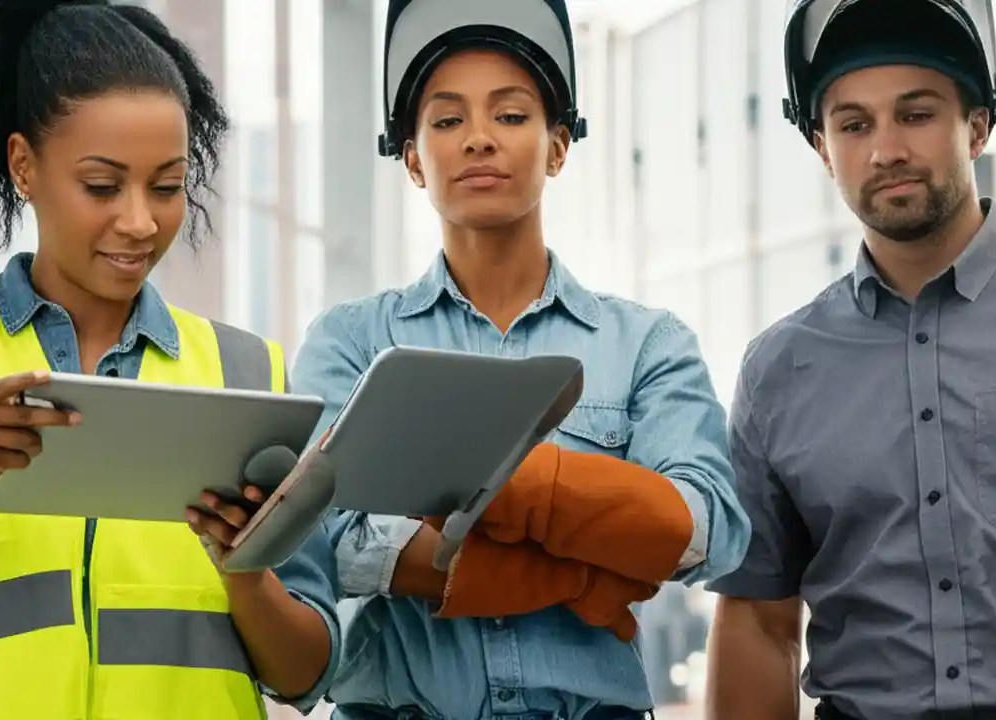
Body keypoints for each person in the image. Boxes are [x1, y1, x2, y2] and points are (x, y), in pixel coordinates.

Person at [705, 1, 996, 719]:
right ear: (823, 150)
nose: (885, 149)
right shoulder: (778, 367)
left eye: (916, 115)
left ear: (977, 126)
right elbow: (760, 623)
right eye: (853, 125)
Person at [290, 1, 751, 718]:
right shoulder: (351, 343)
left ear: (558, 146)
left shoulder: (649, 344)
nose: (478, 139)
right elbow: (327, 541)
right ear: (412, 159)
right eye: (447, 121)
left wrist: (512, 489)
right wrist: (585, 568)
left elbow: (703, 530)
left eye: (510, 116)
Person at [0, 1, 340, 717]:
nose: (140, 221)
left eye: (167, 187)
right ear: (23, 166)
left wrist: (245, 575)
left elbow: (305, 675)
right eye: (102, 186)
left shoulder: (248, 372)